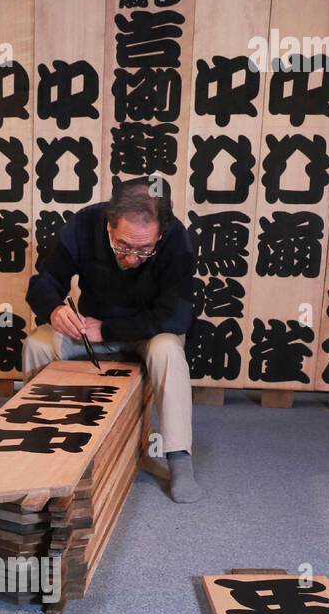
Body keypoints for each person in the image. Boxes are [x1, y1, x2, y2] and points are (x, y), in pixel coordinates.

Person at [24, 177, 200, 503]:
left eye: (144, 249)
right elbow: (43, 282)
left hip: (145, 334)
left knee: (169, 350)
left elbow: (176, 318)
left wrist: (107, 329)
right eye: (123, 246)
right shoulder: (84, 224)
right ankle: (36, 442)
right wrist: (55, 308)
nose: (132, 258)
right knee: (37, 343)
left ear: (161, 233)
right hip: (90, 334)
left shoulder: (177, 239)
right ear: (109, 225)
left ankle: (179, 459)